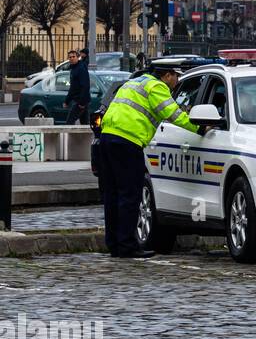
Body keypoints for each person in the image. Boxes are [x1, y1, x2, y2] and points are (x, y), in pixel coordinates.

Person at [98, 60, 205, 258]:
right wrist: (199, 128)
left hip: (107, 138)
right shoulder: (157, 87)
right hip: (128, 142)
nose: (178, 80)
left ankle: (114, 244)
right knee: (130, 196)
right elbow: (174, 115)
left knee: (112, 195)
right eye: (176, 76)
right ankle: (127, 246)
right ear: (167, 76)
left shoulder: (134, 82)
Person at [65, 48, 90, 125]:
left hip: (80, 101)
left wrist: (82, 103)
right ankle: (86, 137)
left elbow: (85, 86)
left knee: (69, 123)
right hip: (81, 101)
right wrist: (67, 101)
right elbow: (73, 88)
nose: (72, 58)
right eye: (70, 57)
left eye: (73, 56)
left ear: (77, 57)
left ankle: (69, 137)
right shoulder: (73, 69)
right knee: (85, 124)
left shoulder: (81, 68)